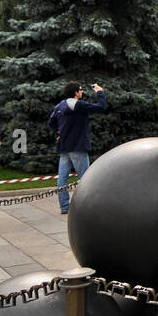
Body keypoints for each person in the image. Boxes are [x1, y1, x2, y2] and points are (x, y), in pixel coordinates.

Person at [47, 81, 108, 215]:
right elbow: (102, 107)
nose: (82, 92)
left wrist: (59, 133)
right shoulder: (79, 105)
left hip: (64, 148)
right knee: (86, 178)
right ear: (75, 92)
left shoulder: (59, 106)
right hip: (78, 146)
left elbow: (51, 122)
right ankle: (90, 206)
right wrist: (100, 92)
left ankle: (64, 206)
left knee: (62, 179)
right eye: (80, 90)